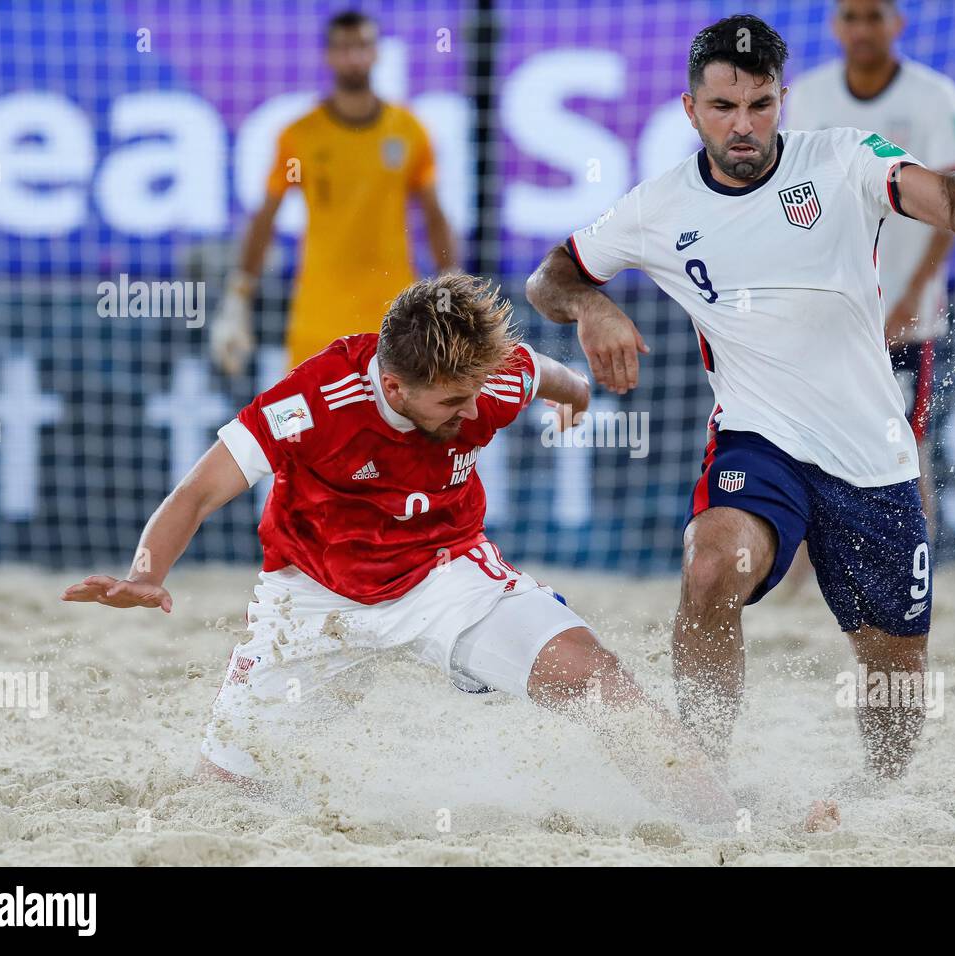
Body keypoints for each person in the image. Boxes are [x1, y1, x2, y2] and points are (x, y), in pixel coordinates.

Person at [526, 14, 955, 820]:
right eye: (724, 107)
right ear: (691, 109)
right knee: (710, 565)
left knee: (894, 661)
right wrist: (590, 306)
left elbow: (952, 207)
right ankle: (701, 781)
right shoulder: (658, 207)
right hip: (759, 438)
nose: (744, 125)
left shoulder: (842, 158)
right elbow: (547, 279)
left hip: (871, 452)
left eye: (760, 105)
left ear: (782, 101)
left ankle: (882, 794)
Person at [64, 273, 735, 823]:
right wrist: (146, 572)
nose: (471, 416)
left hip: (446, 576)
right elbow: (197, 492)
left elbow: (538, 372)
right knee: (221, 791)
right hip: (312, 599)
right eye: (450, 403)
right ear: (393, 387)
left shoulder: (484, 384)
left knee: (599, 680)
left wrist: (579, 396)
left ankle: (724, 824)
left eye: (475, 395)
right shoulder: (313, 403)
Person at [785, 0, 955, 535]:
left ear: (898, 23)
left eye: (874, 15)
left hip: (901, 310)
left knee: (903, 445)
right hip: (822, 308)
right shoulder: (811, 97)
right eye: (851, 16)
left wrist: (916, 292)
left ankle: (920, 566)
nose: (862, 28)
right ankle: (799, 580)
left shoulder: (933, 97)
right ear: (834, 25)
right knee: (804, 441)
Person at [210, 10, 457, 375]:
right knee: (306, 427)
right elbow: (266, 217)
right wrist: (238, 295)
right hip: (318, 318)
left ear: (376, 53)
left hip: (394, 317)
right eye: (344, 47)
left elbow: (434, 215)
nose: (354, 57)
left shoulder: (409, 131)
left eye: (362, 46)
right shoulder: (300, 137)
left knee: (399, 426)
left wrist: (450, 286)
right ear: (328, 55)